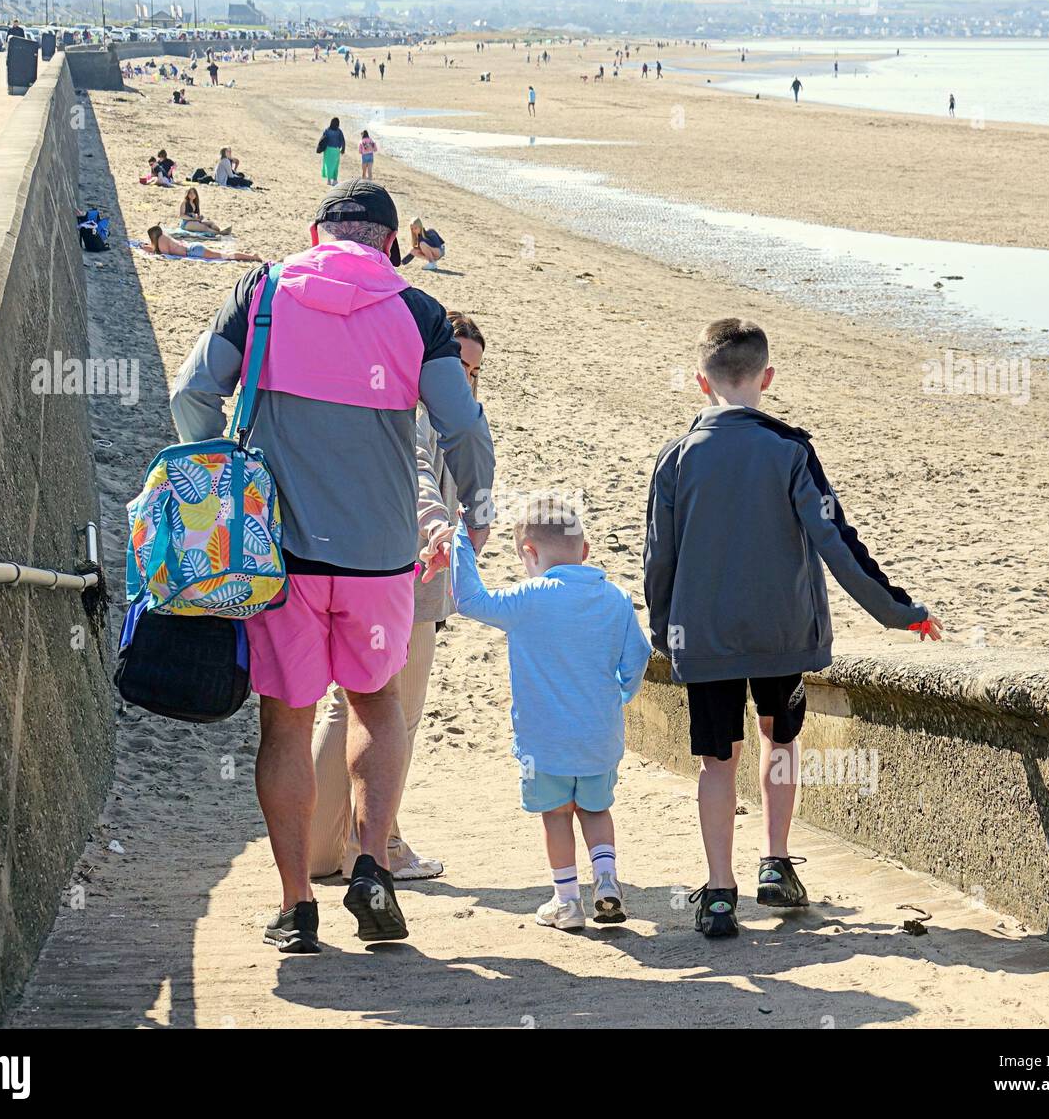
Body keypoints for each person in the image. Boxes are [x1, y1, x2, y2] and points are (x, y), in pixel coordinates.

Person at [169, 181, 496, 954]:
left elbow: (192, 393)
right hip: (382, 559)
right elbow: (462, 426)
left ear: (315, 232)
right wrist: (477, 514)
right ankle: (372, 867)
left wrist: (221, 475)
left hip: (279, 556)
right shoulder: (418, 314)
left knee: (286, 721)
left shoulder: (264, 290)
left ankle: (294, 908)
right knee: (377, 706)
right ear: (390, 243)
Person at [643, 319, 942, 940]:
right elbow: (836, 540)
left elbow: (659, 560)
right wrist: (899, 611)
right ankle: (775, 864)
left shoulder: (676, 459)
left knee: (715, 761)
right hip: (783, 632)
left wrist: (664, 633)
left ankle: (719, 893)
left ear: (702, 382)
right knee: (780, 741)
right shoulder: (790, 450)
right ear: (767, 379)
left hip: (705, 637)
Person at [308, 312, 488, 883]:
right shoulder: (417, 415)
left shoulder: (383, 402)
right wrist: (439, 528)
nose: (466, 378)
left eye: (475, 370)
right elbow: (419, 480)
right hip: (407, 580)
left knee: (349, 705)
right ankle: (381, 843)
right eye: (457, 364)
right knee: (393, 716)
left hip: (362, 572)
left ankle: (321, 848)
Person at [449, 495, 651, 930]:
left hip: (544, 743)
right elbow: (638, 657)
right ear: (586, 550)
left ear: (529, 552)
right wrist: (620, 696)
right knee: (595, 811)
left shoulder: (529, 598)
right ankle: (607, 881)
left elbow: (469, 600)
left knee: (557, 815)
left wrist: (459, 542)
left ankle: (567, 902)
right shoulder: (615, 598)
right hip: (600, 738)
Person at [138, 224, 259, 261]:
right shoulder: (163, 237)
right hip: (193, 249)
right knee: (224, 255)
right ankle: (251, 256)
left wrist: (149, 249)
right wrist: (146, 247)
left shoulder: (162, 240)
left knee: (225, 256)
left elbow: (164, 252)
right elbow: (157, 249)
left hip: (194, 251)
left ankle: (252, 257)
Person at [317, 117, 346, 186]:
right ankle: (335, 180)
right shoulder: (339, 131)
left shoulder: (327, 130)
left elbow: (322, 139)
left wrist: (320, 148)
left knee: (328, 165)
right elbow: (343, 141)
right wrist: (343, 149)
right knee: (335, 165)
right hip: (336, 150)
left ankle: (329, 180)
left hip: (327, 150)